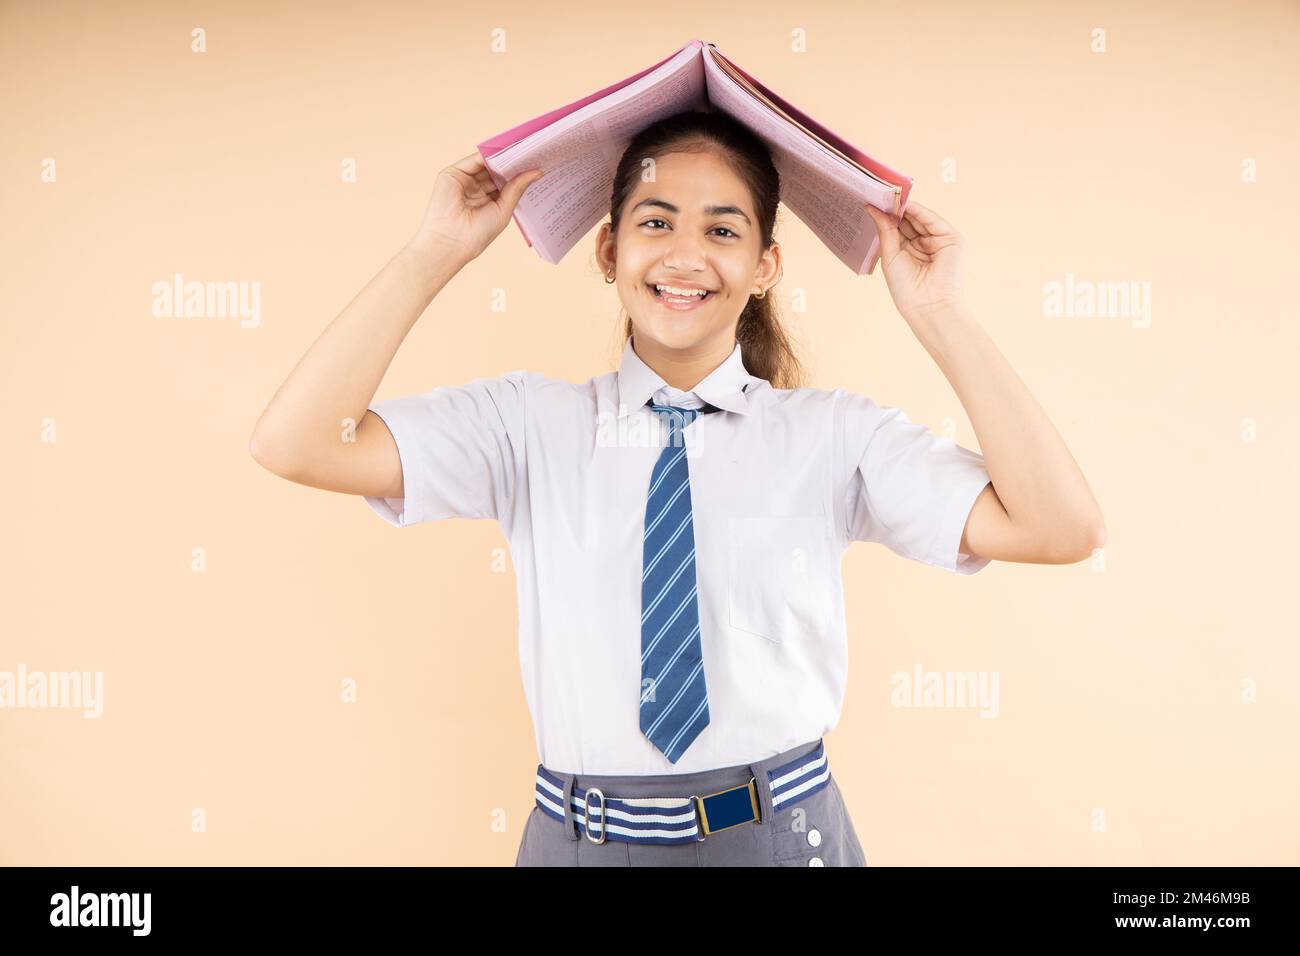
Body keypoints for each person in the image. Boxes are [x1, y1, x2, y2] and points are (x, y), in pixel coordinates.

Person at [249, 109, 1106, 866]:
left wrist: (938, 315)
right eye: (656, 221)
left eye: (724, 231)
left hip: (782, 836)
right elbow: (297, 444)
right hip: (575, 843)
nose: (687, 255)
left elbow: (1057, 527)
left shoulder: (833, 436)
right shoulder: (525, 426)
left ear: (766, 265)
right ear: (609, 250)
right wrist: (433, 251)